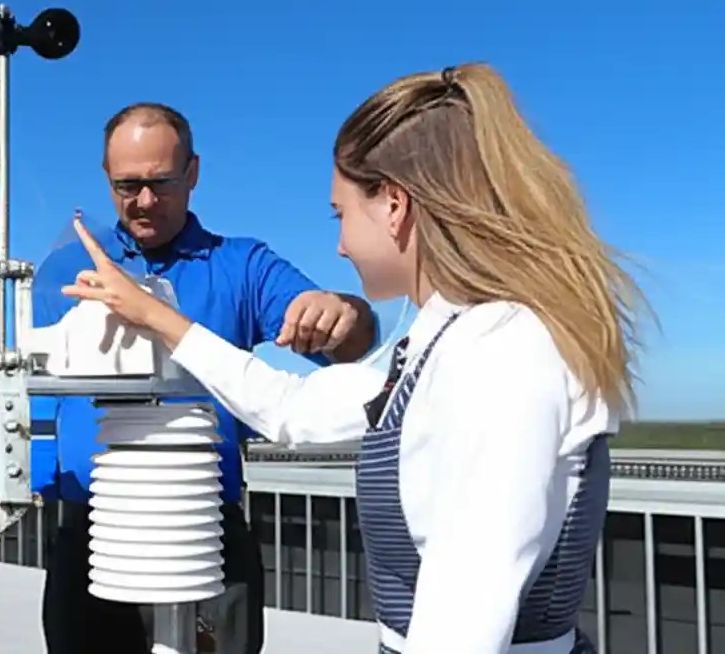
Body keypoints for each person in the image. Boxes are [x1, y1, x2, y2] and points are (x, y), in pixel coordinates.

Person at [60, 64, 646, 654]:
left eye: (340, 214)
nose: (339, 244)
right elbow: (294, 409)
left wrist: (335, 313)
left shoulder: (503, 351)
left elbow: (466, 615)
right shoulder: (445, 339)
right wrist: (158, 317)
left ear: (394, 205)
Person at [32, 102, 379, 654]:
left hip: (202, 530)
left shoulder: (242, 266)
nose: (143, 201)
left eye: (160, 183)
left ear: (193, 173)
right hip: (91, 536)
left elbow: (350, 342)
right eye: (126, 185)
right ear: (105, 178)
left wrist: (341, 312)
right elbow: (42, 399)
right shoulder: (65, 273)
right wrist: (42, 484)